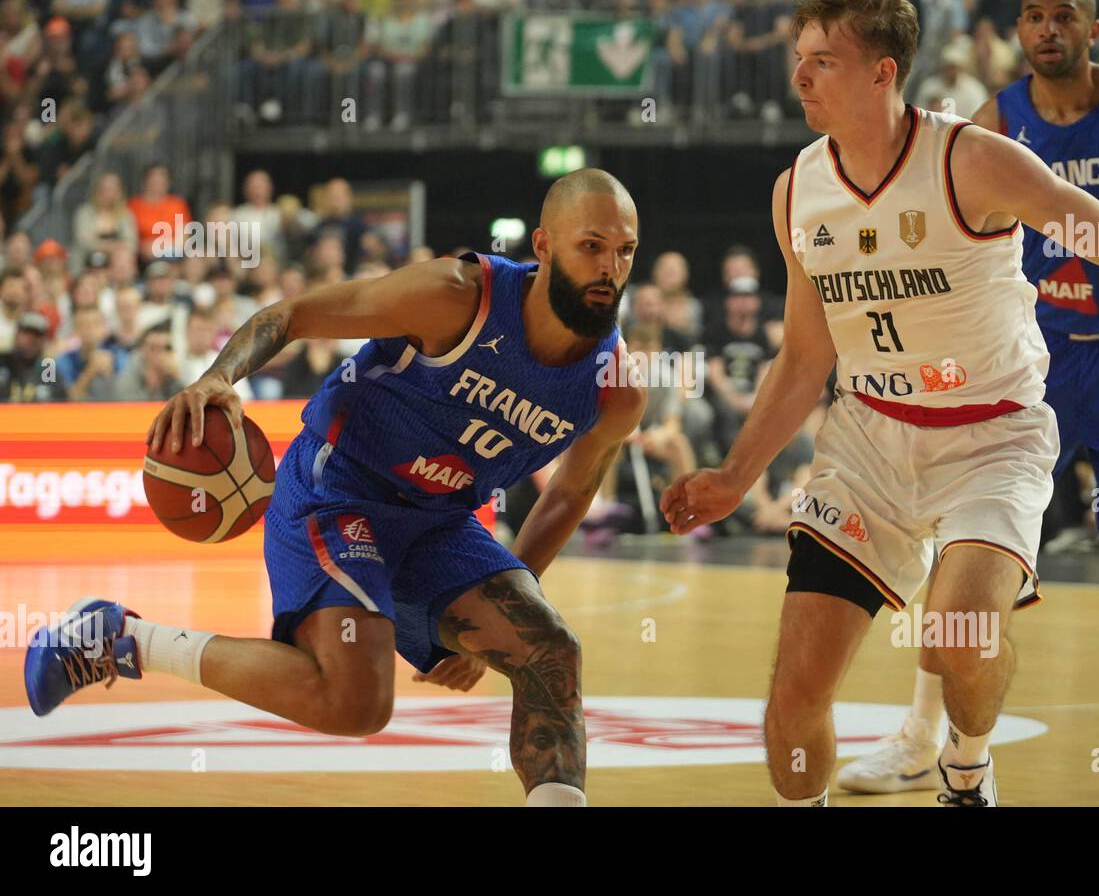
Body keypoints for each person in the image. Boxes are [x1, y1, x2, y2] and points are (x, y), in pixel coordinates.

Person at [660, 0, 1099, 807]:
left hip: (991, 436)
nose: (802, 78)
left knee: (958, 632)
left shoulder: (971, 158)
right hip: (870, 439)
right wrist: (734, 475)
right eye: (798, 61)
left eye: (824, 61)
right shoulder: (797, 189)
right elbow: (802, 358)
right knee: (793, 699)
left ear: (882, 72)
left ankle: (967, 765)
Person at [26, 169, 646, 808]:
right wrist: (219, 377)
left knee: (550, 649)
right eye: (591, 246)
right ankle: (121, 640)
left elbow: (572, 493)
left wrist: (507, 601)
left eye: (625, 251)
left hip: (439, 526)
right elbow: (291, 315)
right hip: (339, 486)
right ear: (543, 246)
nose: (610, 268)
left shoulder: (616, 389)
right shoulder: (457, 296)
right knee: (356, 703)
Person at [840, 0, 1099, 799]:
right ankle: (921, 739)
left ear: (1093, 24)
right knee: (968, 561)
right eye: (1035, 18)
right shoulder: (995, 119)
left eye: (1065, 16)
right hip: (1031, 361)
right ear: (1018, 30)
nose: (1049, 29)